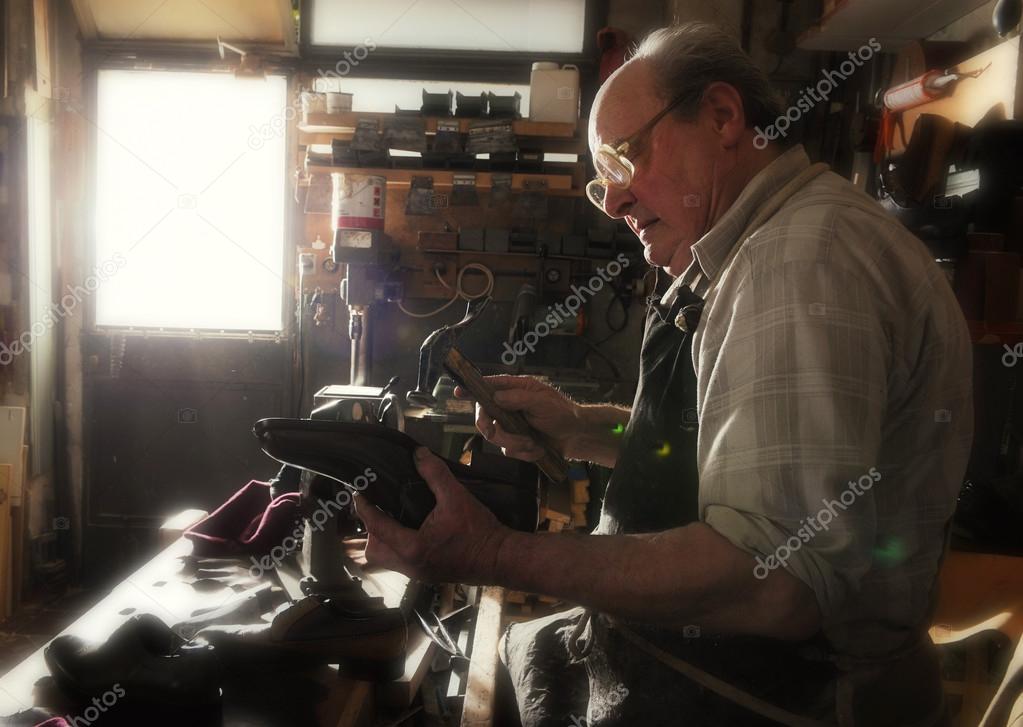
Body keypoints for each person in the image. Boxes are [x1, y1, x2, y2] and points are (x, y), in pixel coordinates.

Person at [355, 22, 973, 726]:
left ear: (722, 116)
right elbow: (715, 454)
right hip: (689, 670)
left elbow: (773, 582)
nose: (615, 203)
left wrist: (493, 553)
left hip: (772, 703)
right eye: (602, 184)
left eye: (624, 158)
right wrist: (582, 429)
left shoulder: (797, 263)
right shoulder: (751, 249)